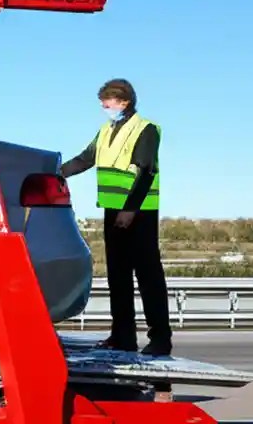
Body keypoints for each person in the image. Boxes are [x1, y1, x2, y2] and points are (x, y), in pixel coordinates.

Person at [60, 78, 171, 356]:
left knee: (148, 277)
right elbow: (85, 159)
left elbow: (146, 172)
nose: (103, 106)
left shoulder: (145, 129)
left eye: (107, 101)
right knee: (118, 277)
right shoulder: (106, 130)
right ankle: (123, 336)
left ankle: (160, 338)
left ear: (124, 101)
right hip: (114, 212)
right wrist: (54, 173)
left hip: (139, 212)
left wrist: (130, 209)